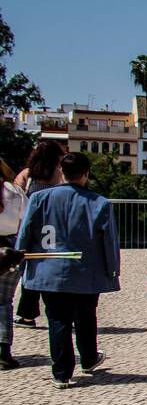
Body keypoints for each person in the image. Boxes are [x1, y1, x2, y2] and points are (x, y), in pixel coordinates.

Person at [15, 152, 119, 388]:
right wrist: (112, 270)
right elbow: (109, 242)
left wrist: (20, 259)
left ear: (61, 171)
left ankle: (62, 372)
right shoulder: (99, 203)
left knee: (58, 319)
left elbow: (26, 231)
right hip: (86, 271)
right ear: (87, 173)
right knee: (86, 316)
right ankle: (89, 358)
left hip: (48, 269)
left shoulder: (39, 198)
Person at [13, 138, 64, 328]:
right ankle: (57, 312)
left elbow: (16, 196)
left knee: (30, 271)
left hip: (30, 228)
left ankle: (27, 314)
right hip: (54, 228)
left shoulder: (28, 175)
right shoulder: (58, 175)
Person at [0, 160, 28, 368]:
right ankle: (3, 350)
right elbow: (24, 221)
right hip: (8, 249)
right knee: (4, 302)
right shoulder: (14, 191)